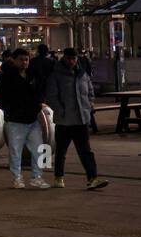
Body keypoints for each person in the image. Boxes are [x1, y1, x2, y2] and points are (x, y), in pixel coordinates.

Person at [44, 47, 108, 190]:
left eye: (74, 58)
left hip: (81, 119)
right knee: (61, 150)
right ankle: (58, 177)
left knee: (86, 151)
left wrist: (89, 106)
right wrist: (61, 111)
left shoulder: (82, 74)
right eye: (69, 58)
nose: (72, 61)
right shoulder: (56, 75)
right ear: (64, 58)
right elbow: (52, 97)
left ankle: (92, 178)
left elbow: (90, 92)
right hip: (64, 121)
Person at [0, 48, 51, 189]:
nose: (25, 62)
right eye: (21, 59)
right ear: (14, 60)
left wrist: (38, 104)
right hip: (15, 120)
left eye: (27, 59)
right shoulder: (7, 77)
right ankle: (17, 177)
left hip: (32, 118)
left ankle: (37, 176)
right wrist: (10, 109)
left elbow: (41, 90)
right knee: (15, 151)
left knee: (39, 148)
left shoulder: (33, 75)